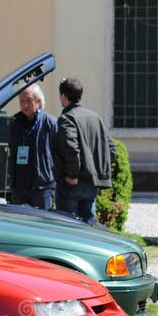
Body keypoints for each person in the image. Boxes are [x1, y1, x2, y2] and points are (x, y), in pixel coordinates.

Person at [54, 77, 116, 224]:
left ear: (63, 96)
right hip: (91, 185)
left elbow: (71, 148)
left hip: (72, 183)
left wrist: (73, 175)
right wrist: (99, 171)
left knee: (69, 229)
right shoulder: (96, 118)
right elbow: (111, 150)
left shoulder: (67, 118)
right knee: (88, 229)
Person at [7, 83, 57, 210]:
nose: (24, 105)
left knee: (42, 225)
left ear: (38, 101)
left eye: (28, 101)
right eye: (22, 101)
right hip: (19, 187)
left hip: (42, 187)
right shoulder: (16, 123)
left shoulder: (50, 123)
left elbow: (58, 153)